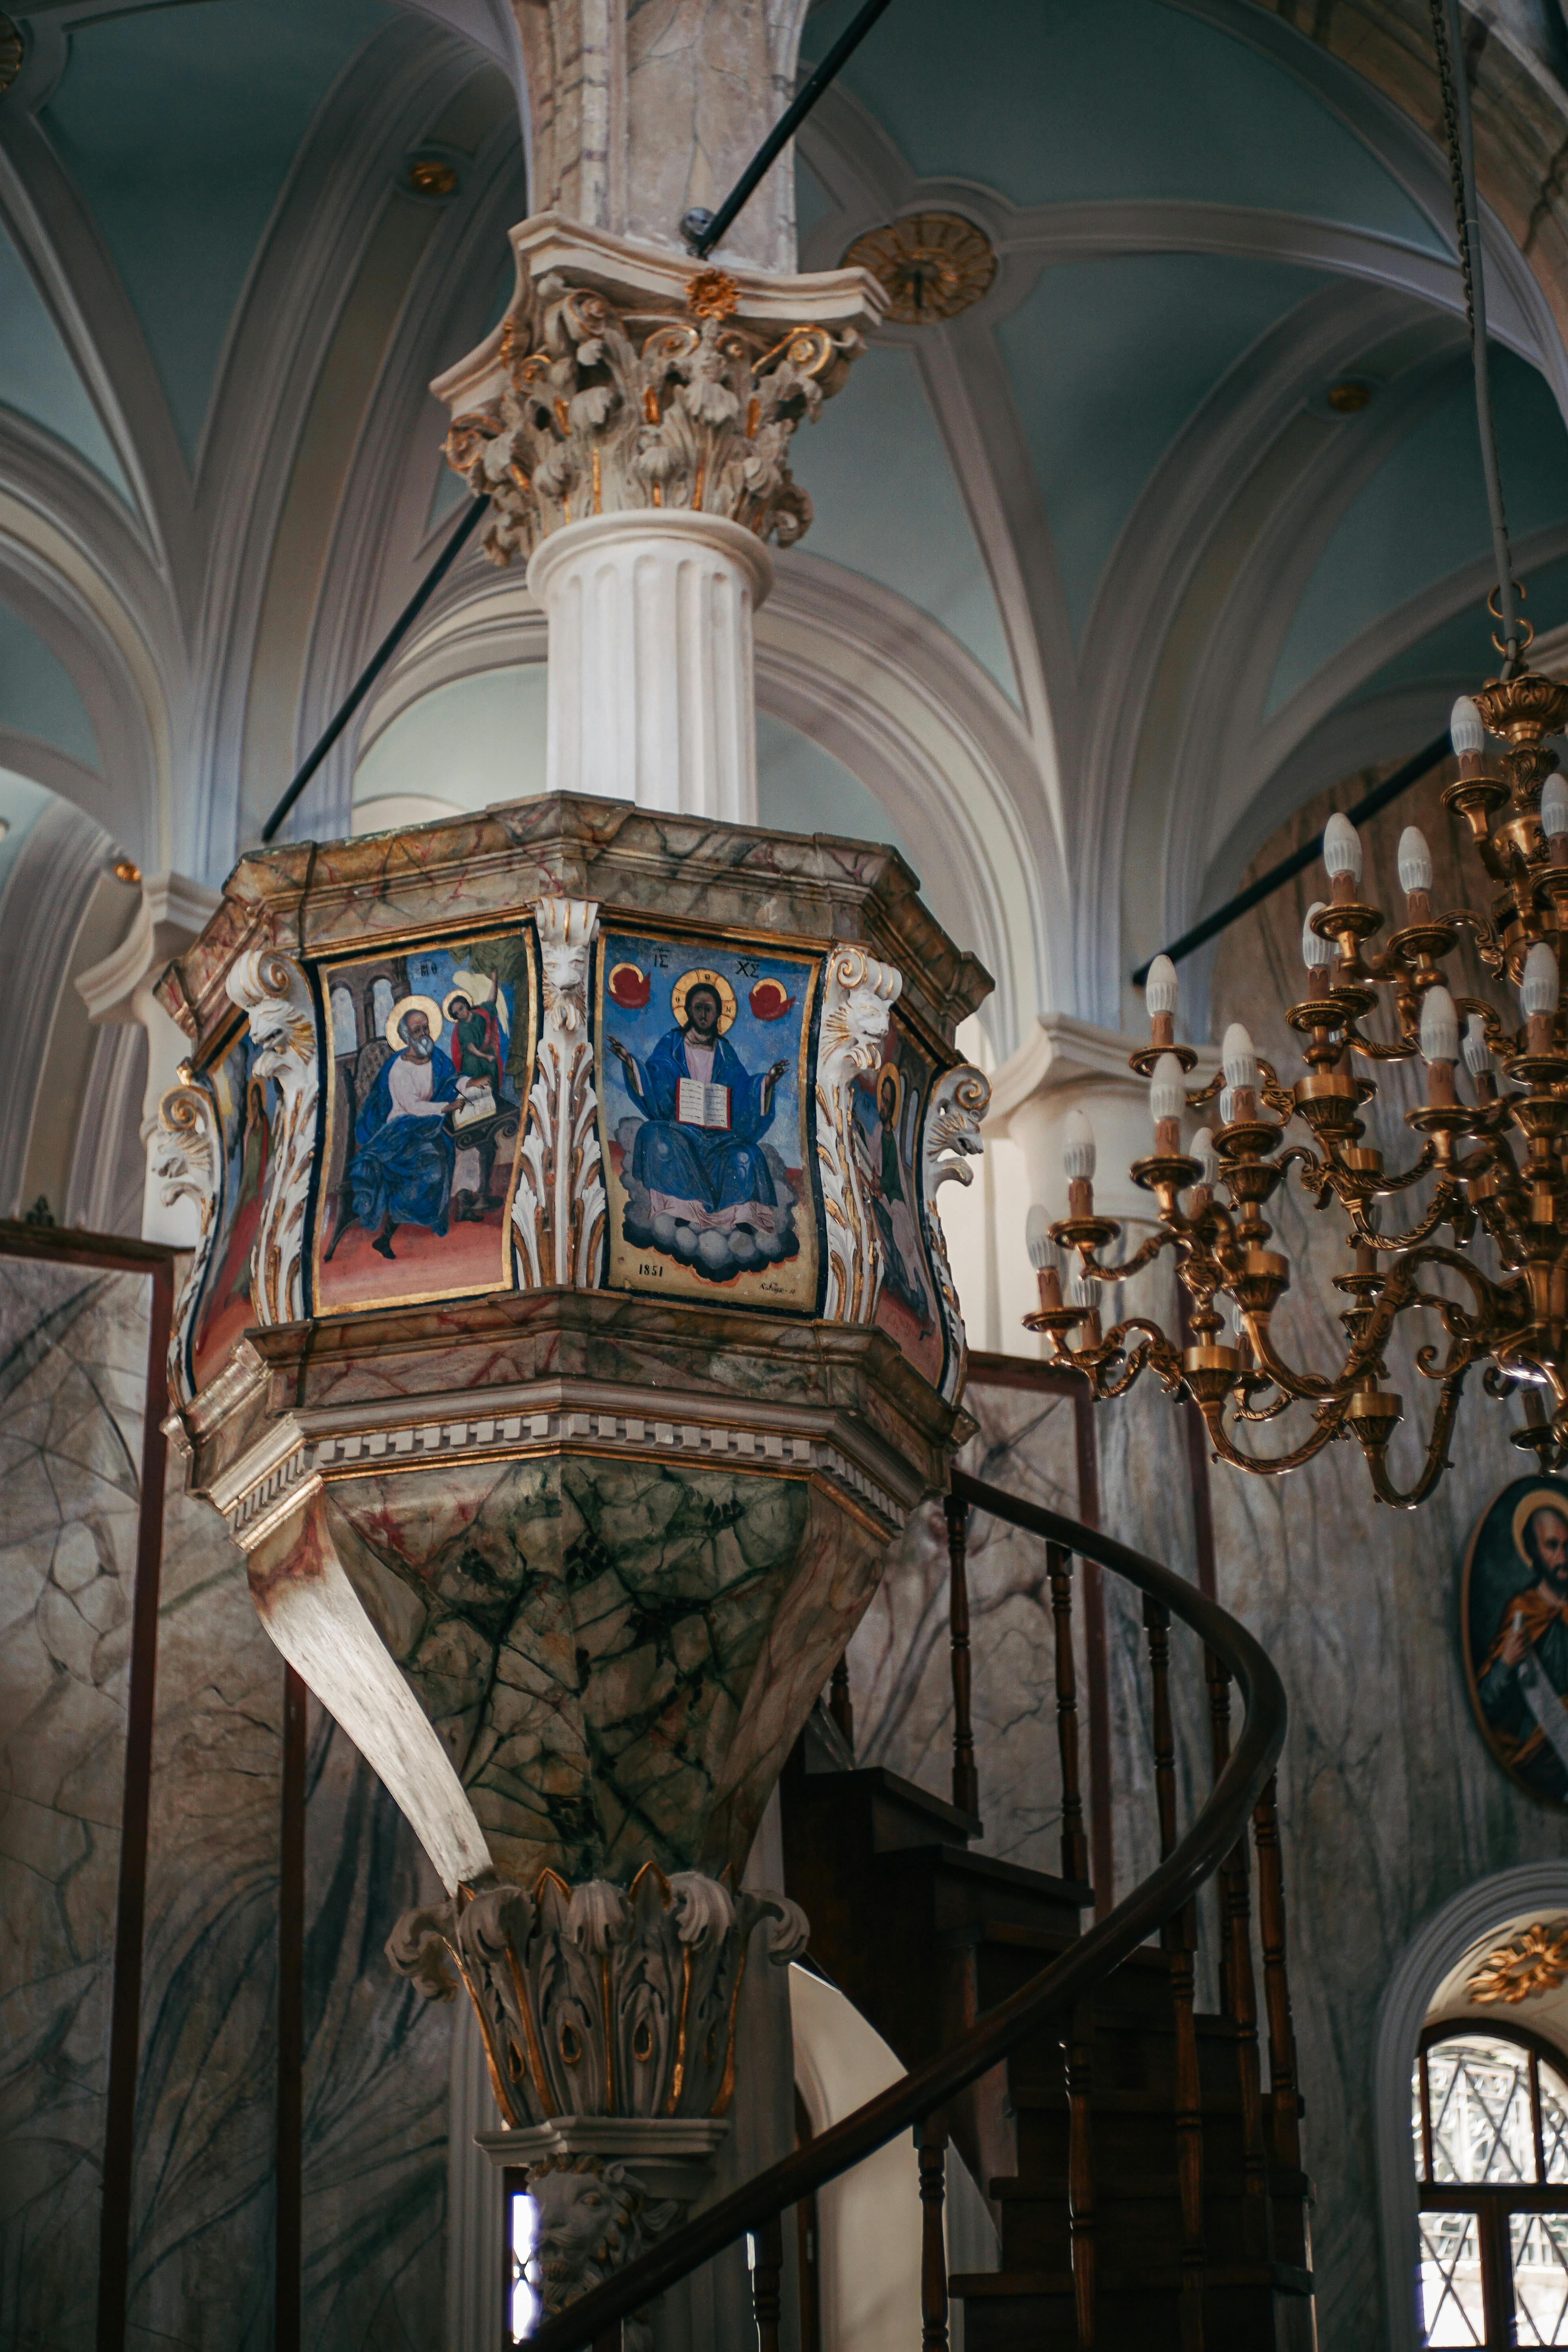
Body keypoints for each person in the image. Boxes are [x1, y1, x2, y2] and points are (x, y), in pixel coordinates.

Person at [606, 975, 789, 1273]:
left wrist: (767, 1082)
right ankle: (681, 1210)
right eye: (698, 1007)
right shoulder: (673, 1044)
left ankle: (735, 1219)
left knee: (748, 1155)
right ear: (689, 1011)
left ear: (719, 1013)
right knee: (656, 1137)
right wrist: (630, 1062)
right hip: (682, 1128)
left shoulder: (725, 1051)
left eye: (709, 1008)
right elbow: (655, 1080)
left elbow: (743, 1091)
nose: (704, 1014)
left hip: (719, 1136)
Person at [342, 1001, 459, 1259]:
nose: (424, 1034)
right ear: (406, 1036)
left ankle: (418, 1219)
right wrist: (447, 1106)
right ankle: (391, 1228)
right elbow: (412, 1107)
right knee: (431, 1164)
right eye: (417, 1031)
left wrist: (469, 1084)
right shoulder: (399, 1068)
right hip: (398, 1131)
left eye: (426, 1028)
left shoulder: (436, 1059)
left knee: (444, 1151)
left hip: (427, 1125)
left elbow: (451, 1080)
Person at [1478, 1499, 1568, 1792]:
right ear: (1533, 1551)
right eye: (1551, 1546)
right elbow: (1488, 1703)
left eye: (1567, 1545)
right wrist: (1505, 1662)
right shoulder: (1522, 1610)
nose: (1562, 1556)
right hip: (1540, 1751)